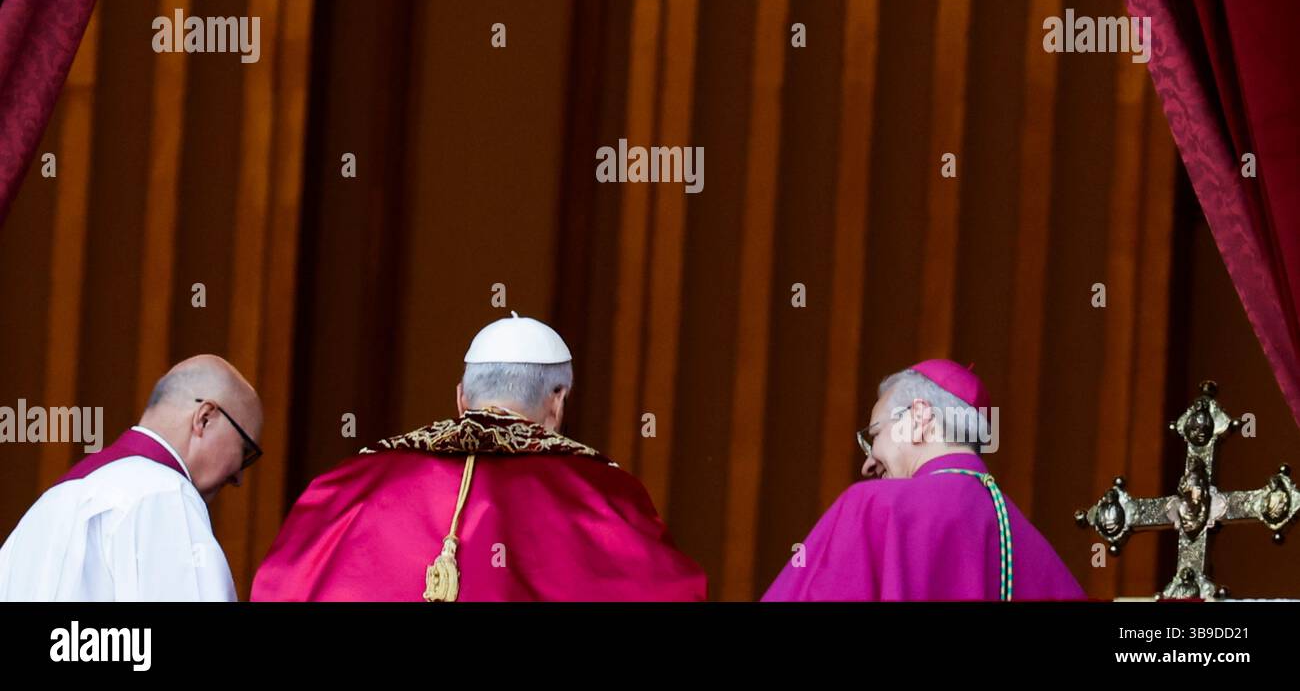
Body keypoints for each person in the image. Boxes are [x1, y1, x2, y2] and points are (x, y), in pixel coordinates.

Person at [253, 312, 705, 601]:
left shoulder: (354, 482)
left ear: (460, 397)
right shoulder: (603, 493)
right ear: (559, 400)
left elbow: (283, 584)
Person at [763, 359, 1085, 601]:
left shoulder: (874, 505)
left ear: (918, 418)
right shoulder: (1025, 541)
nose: (868, 464)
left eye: (873, 435)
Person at [0, 354, 262, 600]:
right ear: (204, 418)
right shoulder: (165, 494)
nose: (238, 477)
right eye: (245, 451)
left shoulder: (47, 505)